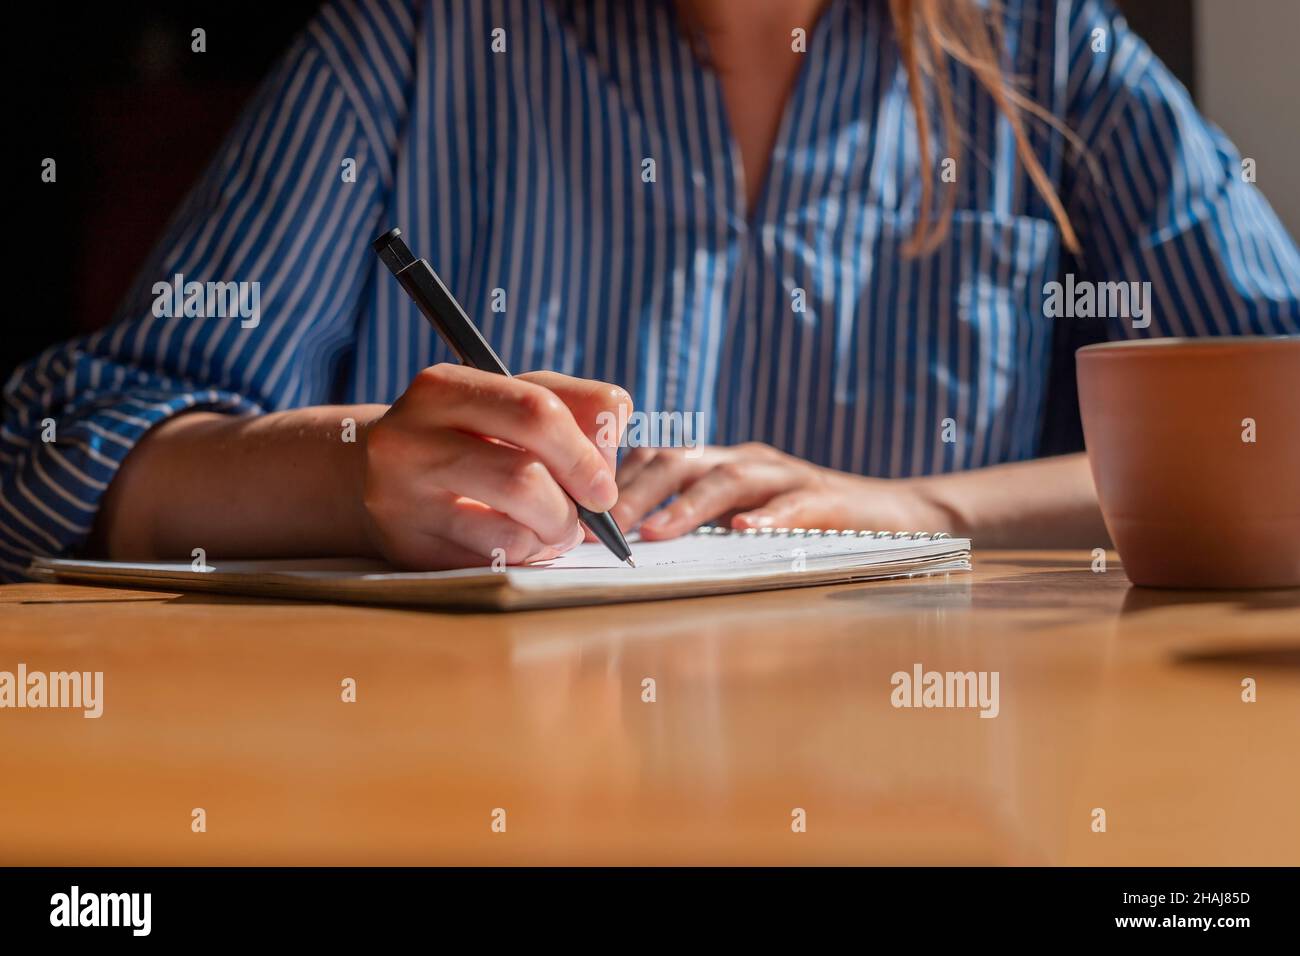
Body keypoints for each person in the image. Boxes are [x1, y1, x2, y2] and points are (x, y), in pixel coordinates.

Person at [2, 0, 1297, 579]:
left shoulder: (1041, 49)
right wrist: (352, 473)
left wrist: (925, 511)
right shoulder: (421, 37)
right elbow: (49, 457)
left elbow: (1284, 433)